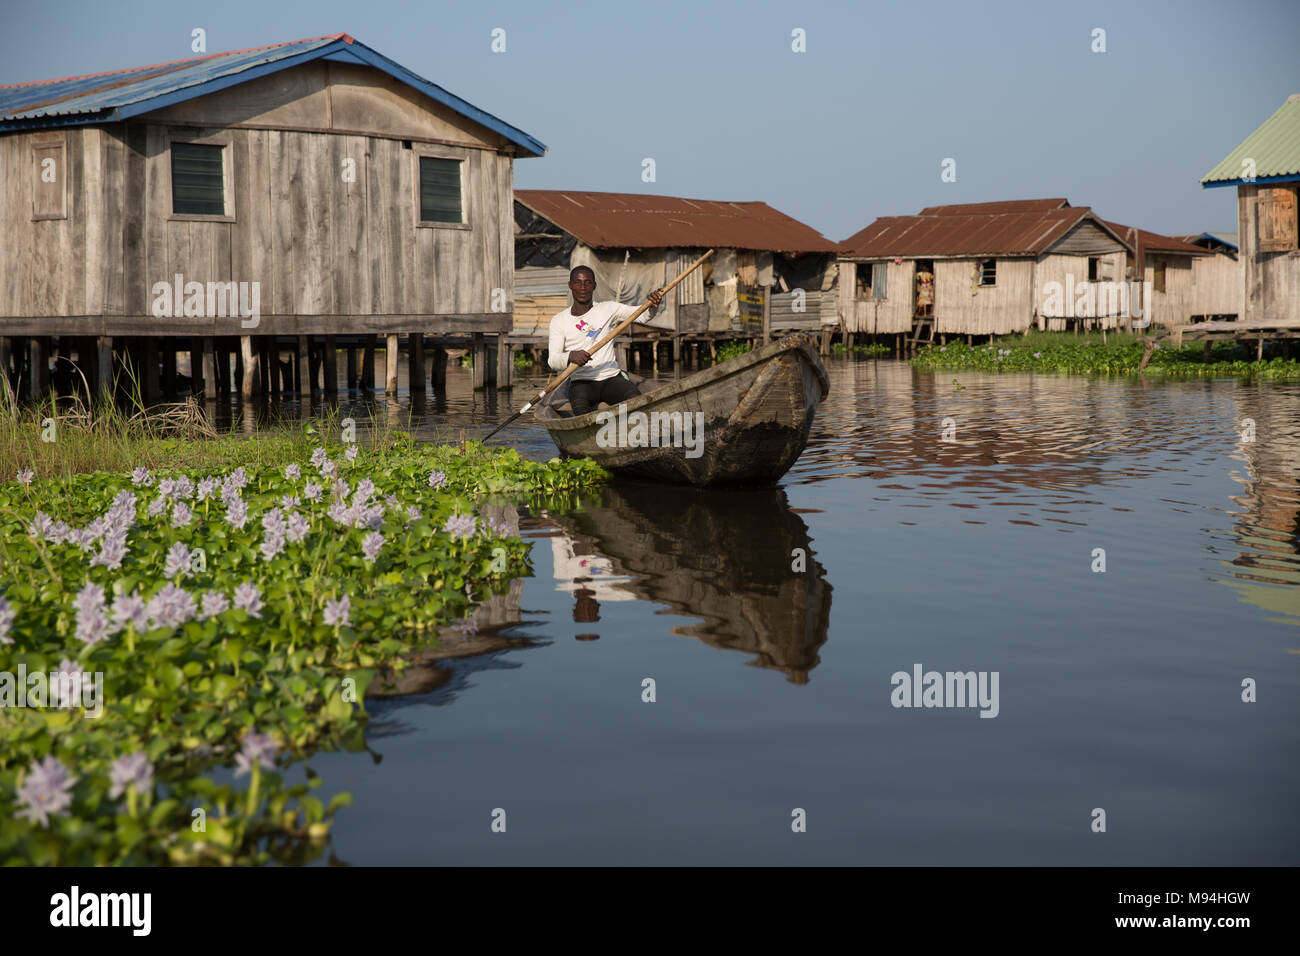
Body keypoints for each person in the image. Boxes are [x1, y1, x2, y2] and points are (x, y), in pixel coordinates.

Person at [548, 266, 664, 415]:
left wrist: (652, 305)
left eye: (587, 283)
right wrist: (571, 356)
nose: (583, 288)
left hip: (610, 378)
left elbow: (642, 315)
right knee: (580, 412)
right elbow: (553, 361)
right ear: (570, 285)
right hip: (581, 382)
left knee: (635, 400)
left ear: (594, 286)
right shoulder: (559, 320)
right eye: (577, 283)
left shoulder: (608, 309)